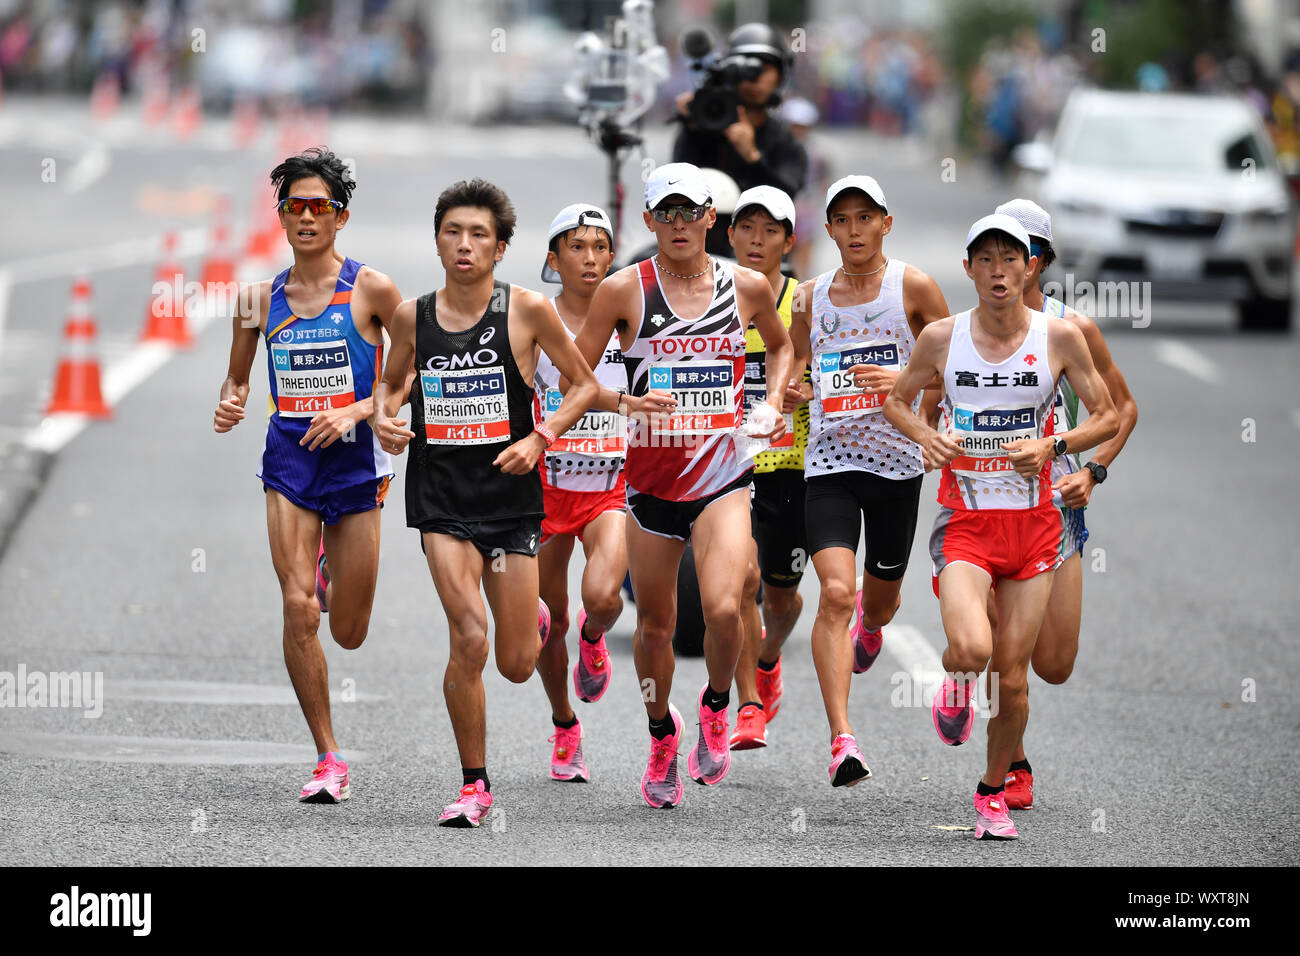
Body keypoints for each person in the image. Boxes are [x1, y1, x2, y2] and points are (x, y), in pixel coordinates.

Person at [371, 178, 600, 827]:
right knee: (468, 638)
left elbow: (581, 386)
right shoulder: (412, 316)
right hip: (440, 498)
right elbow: (390, 387)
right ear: (438, 241)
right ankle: (474, 786)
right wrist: (386, 419)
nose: (464, 244)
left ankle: (533, 625)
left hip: (511, 500)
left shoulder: (526, 310)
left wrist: (540, 438)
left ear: (500, 248)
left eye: (479, 234)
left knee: (517, 661)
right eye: (453, 232)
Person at [883, 213, 1118, 840]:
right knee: (974, 650)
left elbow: (1109, 413)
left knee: (1016, 678)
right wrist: (927, 439)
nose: (997, 270)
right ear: (968, 269)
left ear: (1029, 267)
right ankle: (958, 687)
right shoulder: (941, 337)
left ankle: (993, 791)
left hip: (1037, 529)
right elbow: (897, 399)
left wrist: (1058, 445)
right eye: (984, 259)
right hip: (967, 524)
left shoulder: (1061, 337)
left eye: (1009, 258)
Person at [574, 162, 792, 808]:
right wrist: (621, 404)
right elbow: (573, 377)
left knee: (726, 607)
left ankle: (718, 705)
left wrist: (772, 400)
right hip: (649, 484)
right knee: (657, 628)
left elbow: (781, 349)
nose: (676, 224)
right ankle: (662, 733)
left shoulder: (746, 287)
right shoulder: (622, 291)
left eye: (687, 212)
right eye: (663, 213)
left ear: (709, 219)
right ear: (648, 221)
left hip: (724, 474)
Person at [213, 148, 406, 804]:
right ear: (282, 216)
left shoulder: (373, 290)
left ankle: (332, 573)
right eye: (293, 206)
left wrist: (356, 409)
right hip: (290, 460)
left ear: (340, 217)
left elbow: (410, 378)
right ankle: (328, 756)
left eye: (318, 207)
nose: (304, 217)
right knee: (299, 609)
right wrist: (232, 400)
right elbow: (237, 379)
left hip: (355, 464)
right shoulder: (255, 300)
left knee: (348, 629)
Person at [788, 174, 950, 787]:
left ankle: (874, 627)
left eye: (865, 218)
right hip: (829, 464)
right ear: (828, 229)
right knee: (834, 592)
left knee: (877, 600)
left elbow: (952, 370)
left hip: (896, 466)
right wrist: (795, 391)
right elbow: (798, 367)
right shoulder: (809, 297)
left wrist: (905, 386)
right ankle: (842, 740)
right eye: (842, 220)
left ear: (886, 222)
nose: (854, 231)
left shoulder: (914, 286)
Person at [991, 199, 1139, 809]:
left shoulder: (1071, 329)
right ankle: (1011, 765)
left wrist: (1096, 472)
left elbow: (1122, 409)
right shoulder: (964, 328)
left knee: (1053, 663)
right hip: (986, 503)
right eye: (993, 253)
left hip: (1057, 502)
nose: (1007, 266)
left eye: (1021, 253)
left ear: (1041, 262)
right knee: (1008, 659)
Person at [532, 203, 626, 783]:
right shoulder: (533, 318)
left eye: (599, 247)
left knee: (602, 596)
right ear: (553, 258)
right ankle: (564, 724)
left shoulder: (631, 317)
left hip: (610, 486)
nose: (589, 259)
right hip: (544, 489)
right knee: (548, 620)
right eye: (576, 247)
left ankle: (597, 639)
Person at [723, 185, 808, 750]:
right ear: (728, 235)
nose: (757, 240)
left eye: (770, 230)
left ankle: (770, 656)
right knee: (741, 584)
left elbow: (834, 370)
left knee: (780, 596)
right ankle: (747, 705)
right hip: (729, 465)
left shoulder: (806, 300)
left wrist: (811, 390)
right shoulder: (707, 297)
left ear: (788, 240)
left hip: (792, 464)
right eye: (747, 229)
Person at [673, 23, 809, 251]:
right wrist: (692, 128)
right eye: (745, 69)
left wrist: (753, 157)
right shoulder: (702, 126)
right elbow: (677, 189)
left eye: (764, 68)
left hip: (758, 256)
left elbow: (787, 196)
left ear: (780, 75)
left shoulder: (785, 139)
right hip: (699, 252)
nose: (754, 80)